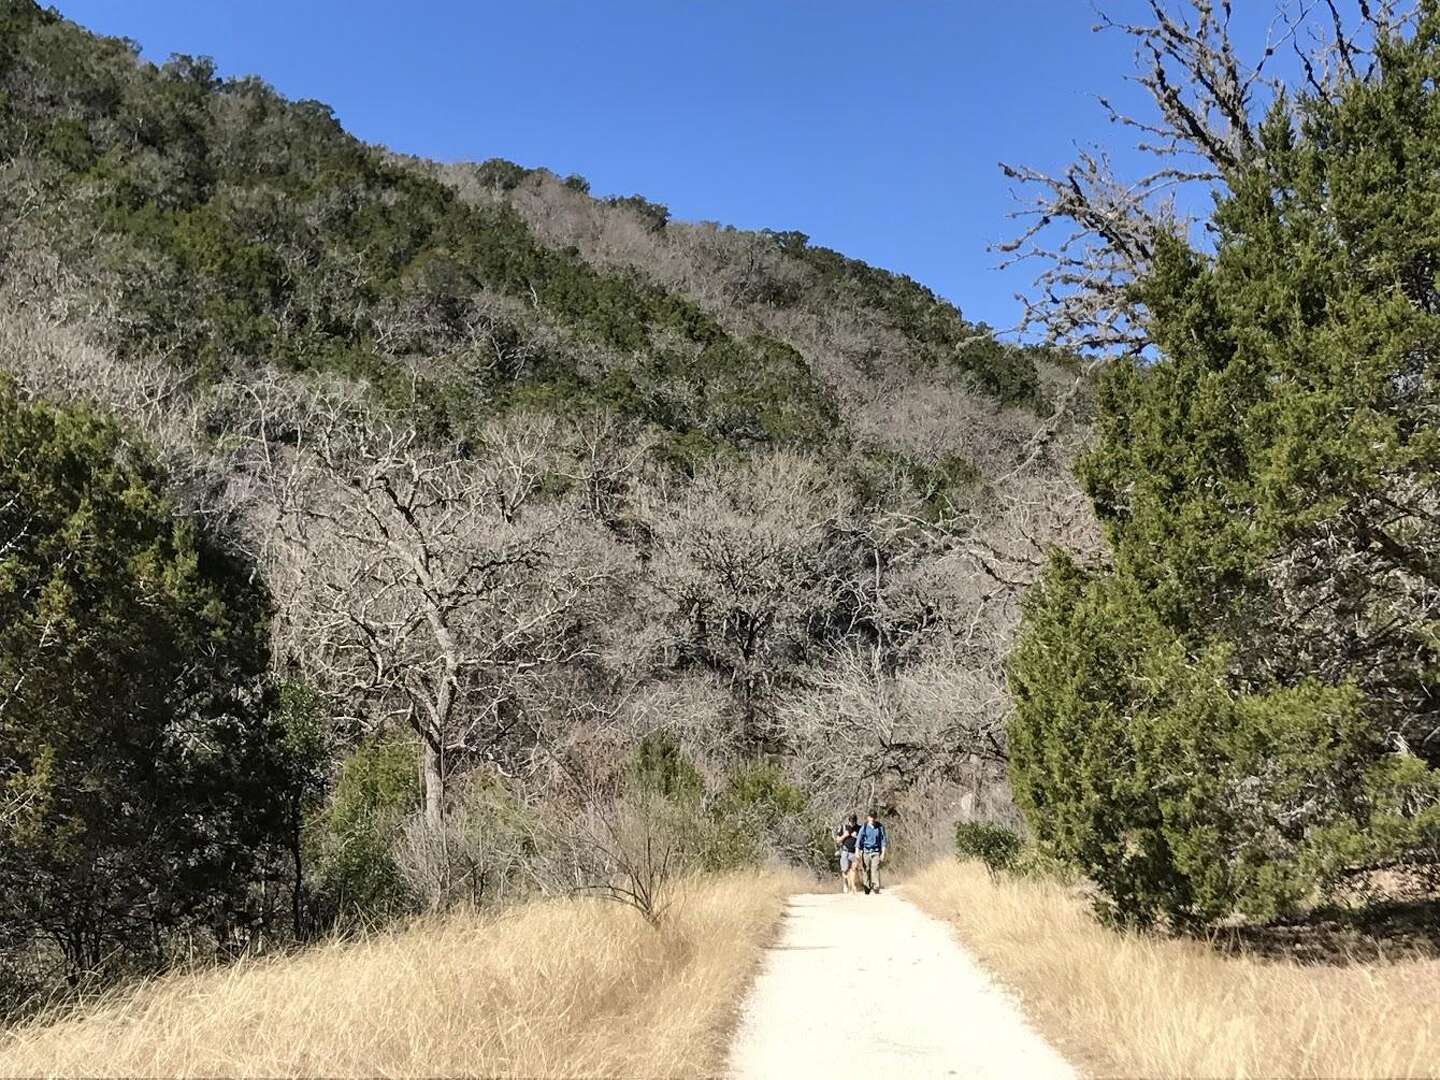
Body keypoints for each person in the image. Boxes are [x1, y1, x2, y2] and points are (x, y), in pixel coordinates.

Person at [855, 811, 887, 894]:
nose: (872, 819)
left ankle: (876, 886)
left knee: (875, 868)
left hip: (876, 851)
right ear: (868, 817)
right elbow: (859, 839)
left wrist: (883, 853)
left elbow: (883, 840)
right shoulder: (864, 827)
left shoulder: (880, 827)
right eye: (871, 817)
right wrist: (857, 851)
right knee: (866, 869)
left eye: (874, 817)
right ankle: (867, 886)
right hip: (866, 851)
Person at [834, 813, 859, 890]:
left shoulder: (859, 828)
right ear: (849, 820)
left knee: (854, 869)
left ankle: (853, 885)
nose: (852, 823)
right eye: (851, 821)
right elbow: (837, 840)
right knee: (844, 870)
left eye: (854, 821)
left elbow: (863, 840)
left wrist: (857, 836)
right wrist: (844, 835)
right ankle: (845, 883)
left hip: (854, 852)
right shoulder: (843, 828)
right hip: (845, 851)